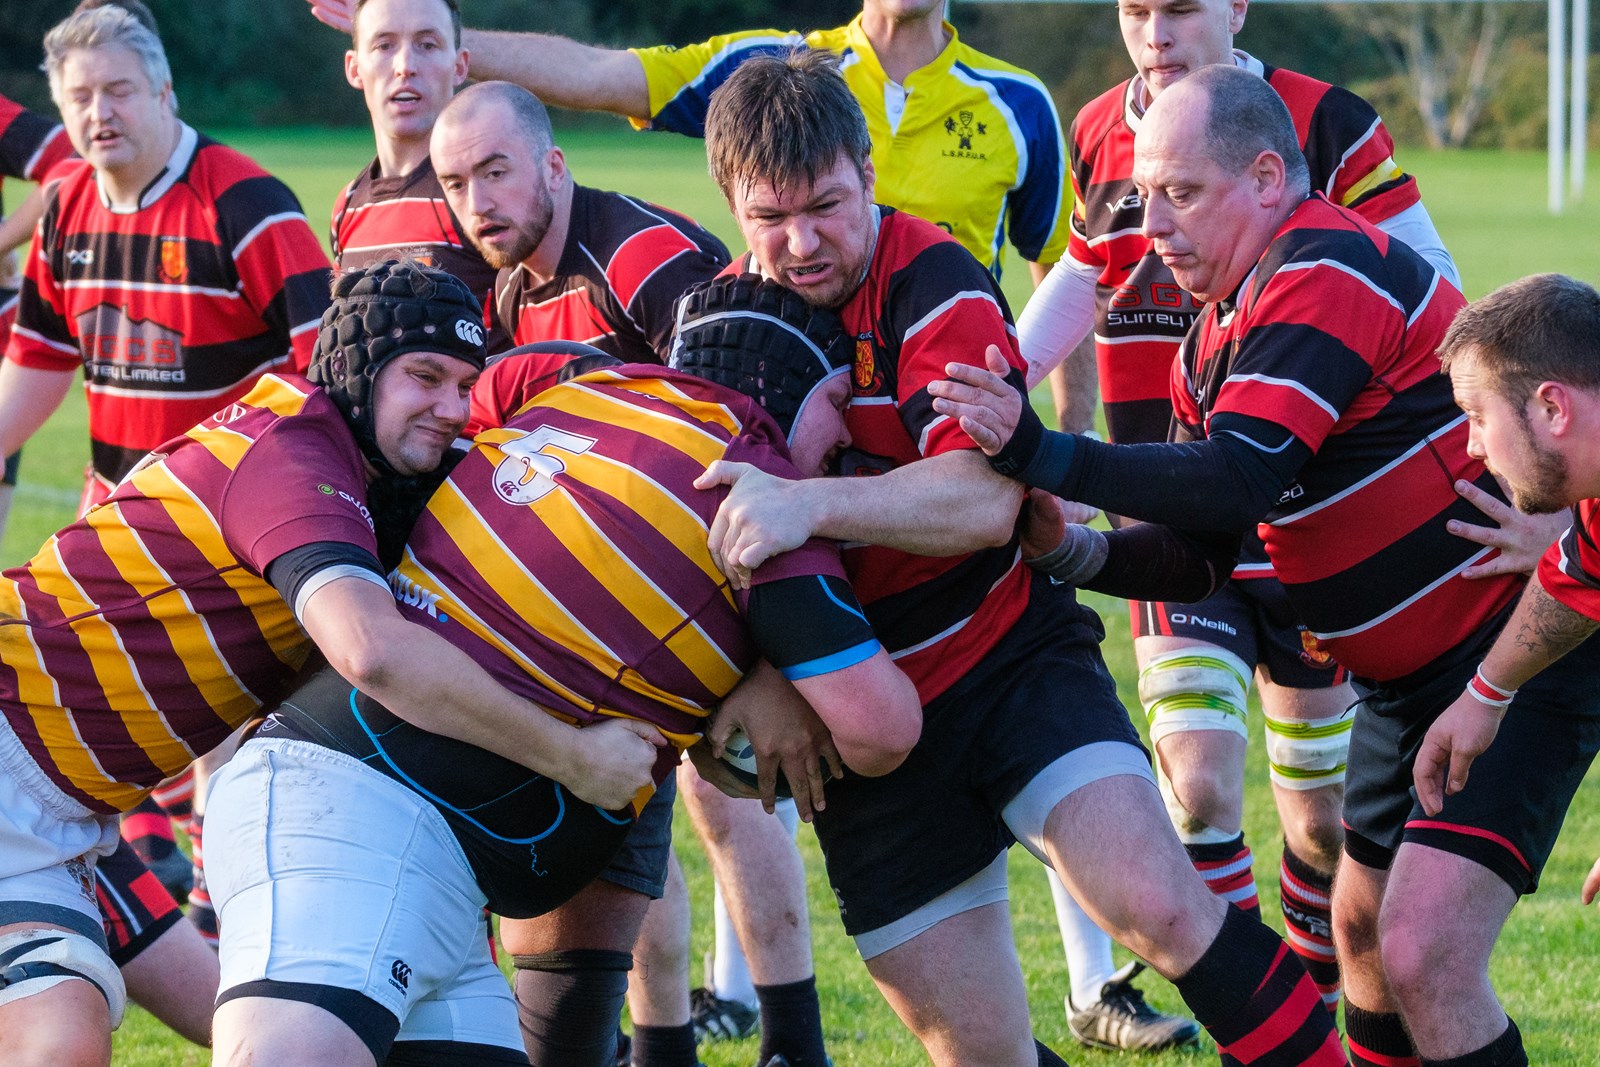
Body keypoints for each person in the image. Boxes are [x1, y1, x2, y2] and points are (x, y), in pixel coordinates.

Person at [929, 64, 1600, 1067]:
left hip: (1505, 654)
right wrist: (1073, 547)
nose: (1151, 225)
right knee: (1364, 941)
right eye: (1140, 195)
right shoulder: (1209, 343)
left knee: (1421, 952)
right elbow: (1205, 556)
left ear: (1265, 176)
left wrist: (1039, 451)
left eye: (1182, 193)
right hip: (1397, 687)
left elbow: (1239, 476)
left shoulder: (1321, 267)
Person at [692, 49, 1342, 1067]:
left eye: (826, 204)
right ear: (729, 201)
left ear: (868, 170)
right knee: (980, 1051)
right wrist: (768, 672)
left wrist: (803, 500)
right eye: (770, 217)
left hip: (1007, 662)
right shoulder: (726, 320)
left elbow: (979, 501)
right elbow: (701, 533)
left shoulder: (933, 280)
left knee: (1160, 906)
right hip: (862, 732)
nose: (803, 241)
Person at [203, 282, 924, 1067]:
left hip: (409, 849)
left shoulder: (586, 388)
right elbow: (881, 728)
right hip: (358, 820)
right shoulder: (756, 487)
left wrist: (748, 668)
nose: (848, 439)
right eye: (840, 407)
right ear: (798, 390)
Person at [0, 257, 656, 1067]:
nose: (451, 409)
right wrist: (574, 756)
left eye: (465, 385)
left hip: (68, 815)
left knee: (254, 1016)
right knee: (57, 1039)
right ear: (356, 366)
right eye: (424, 376)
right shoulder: (291, 450)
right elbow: (373, 652)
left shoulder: (358, 474)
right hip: (11, 753)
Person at [1009, 0, 1470, 1034]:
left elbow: (1436, 286)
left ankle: (1293, 1010)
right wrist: (999, 402)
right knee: (1205, 787)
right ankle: (1267, 1021)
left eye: (1180, 7)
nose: (1156, 30)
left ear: (1235, 8)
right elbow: (1082, 285)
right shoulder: (1099, 137)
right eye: (1136, 8)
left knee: (1326, 839)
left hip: (1310, 509)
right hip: (1182, 491)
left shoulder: (1323, 147)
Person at [331, 0, 509, 352]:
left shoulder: (484, 193)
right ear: (354, 68)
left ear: (460, 66)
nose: (405, 66)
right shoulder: (347, 205)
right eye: (384, 45)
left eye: (427, 45)